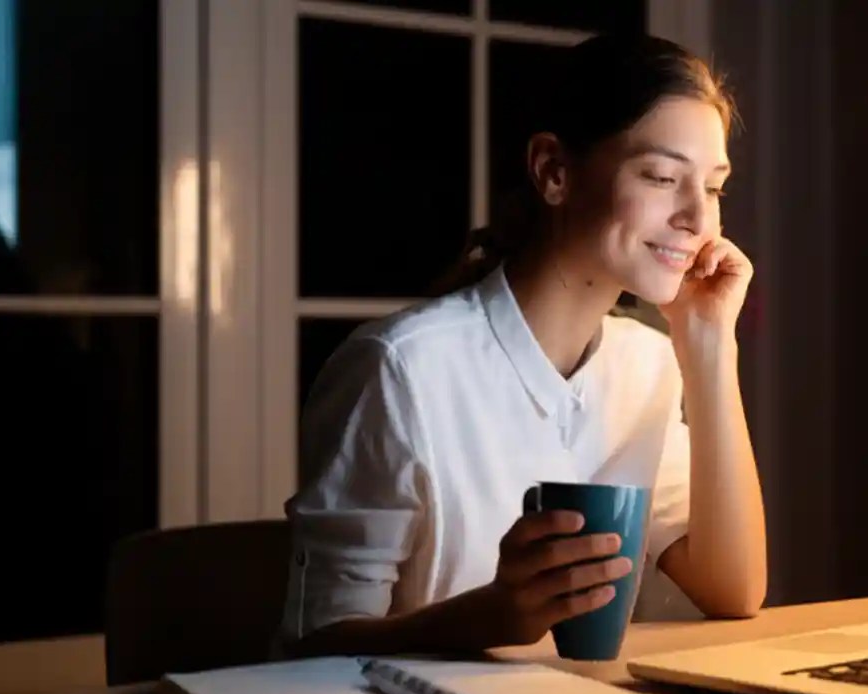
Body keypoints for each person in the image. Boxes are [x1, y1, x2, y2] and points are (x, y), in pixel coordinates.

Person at [281, 32, 766, 658]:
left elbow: (735, 590)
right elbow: (307, 649)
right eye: (662, 176)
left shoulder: (647, 364)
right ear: (553, 171)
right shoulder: (402, 368)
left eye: (715, 188)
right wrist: (489, 618)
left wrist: (709, 347)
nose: (698, 219)